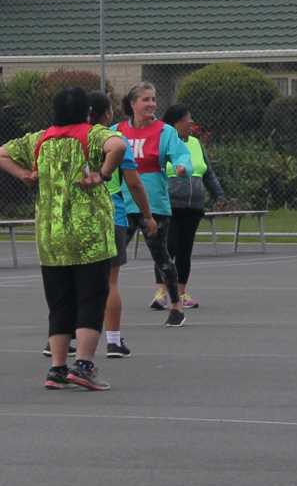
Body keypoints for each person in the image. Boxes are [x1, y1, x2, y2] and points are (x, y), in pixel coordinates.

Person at [0, 85, 125, 391]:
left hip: (51, 236)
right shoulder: (91, 135)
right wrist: (103, 174)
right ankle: (83, 364)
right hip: (89, 234)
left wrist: (24, 174)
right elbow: (117, 146)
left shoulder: (40, 139)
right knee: (91, 299)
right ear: (87, 112)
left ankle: (56, 368)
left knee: (59, 303)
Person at [43, 91, 154, 361]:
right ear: (107, 115)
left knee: (67, 285)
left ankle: (59, 339)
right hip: (106, 218)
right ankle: (113, 340)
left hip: (63, 221)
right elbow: (134, 182)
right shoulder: (108, 139)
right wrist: (147, 215)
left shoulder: (58, 139)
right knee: (107, 283)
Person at [117, 82, 192, 326]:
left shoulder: (164, 131)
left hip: (154, 205)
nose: (151, 104)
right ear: (132, 104)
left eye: (153, 99)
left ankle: (176, 306)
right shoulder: (116, 131)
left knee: (162, 258)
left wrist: (182, 167)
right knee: (110, 258)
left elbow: (182, 154)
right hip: (123, 204)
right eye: (145, 99)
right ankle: (99, 306)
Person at [163, 104, 226, 309]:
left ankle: (181, 292)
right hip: (170, 204)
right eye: (187, 118)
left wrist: (219, 195)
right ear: (176, 123)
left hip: (193, 206)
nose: (191, 122)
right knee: (168, 247)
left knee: (184, 250)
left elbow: (208, 173)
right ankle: (162, 291)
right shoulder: (163, 142)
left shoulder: (196, 144)